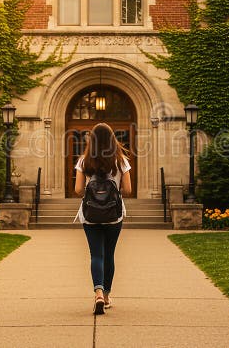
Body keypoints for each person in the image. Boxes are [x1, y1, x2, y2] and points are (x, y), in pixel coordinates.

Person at [74, 122, 132, 315]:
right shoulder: (120, 160)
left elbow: (77, 190)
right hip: (114, 215)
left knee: (96, 254)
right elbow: (129, 190)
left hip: (90, 214)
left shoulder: (84, 161)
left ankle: (97, 292)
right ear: (112, 139)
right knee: (109, 255)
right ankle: (106, 296)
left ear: (92, 140)